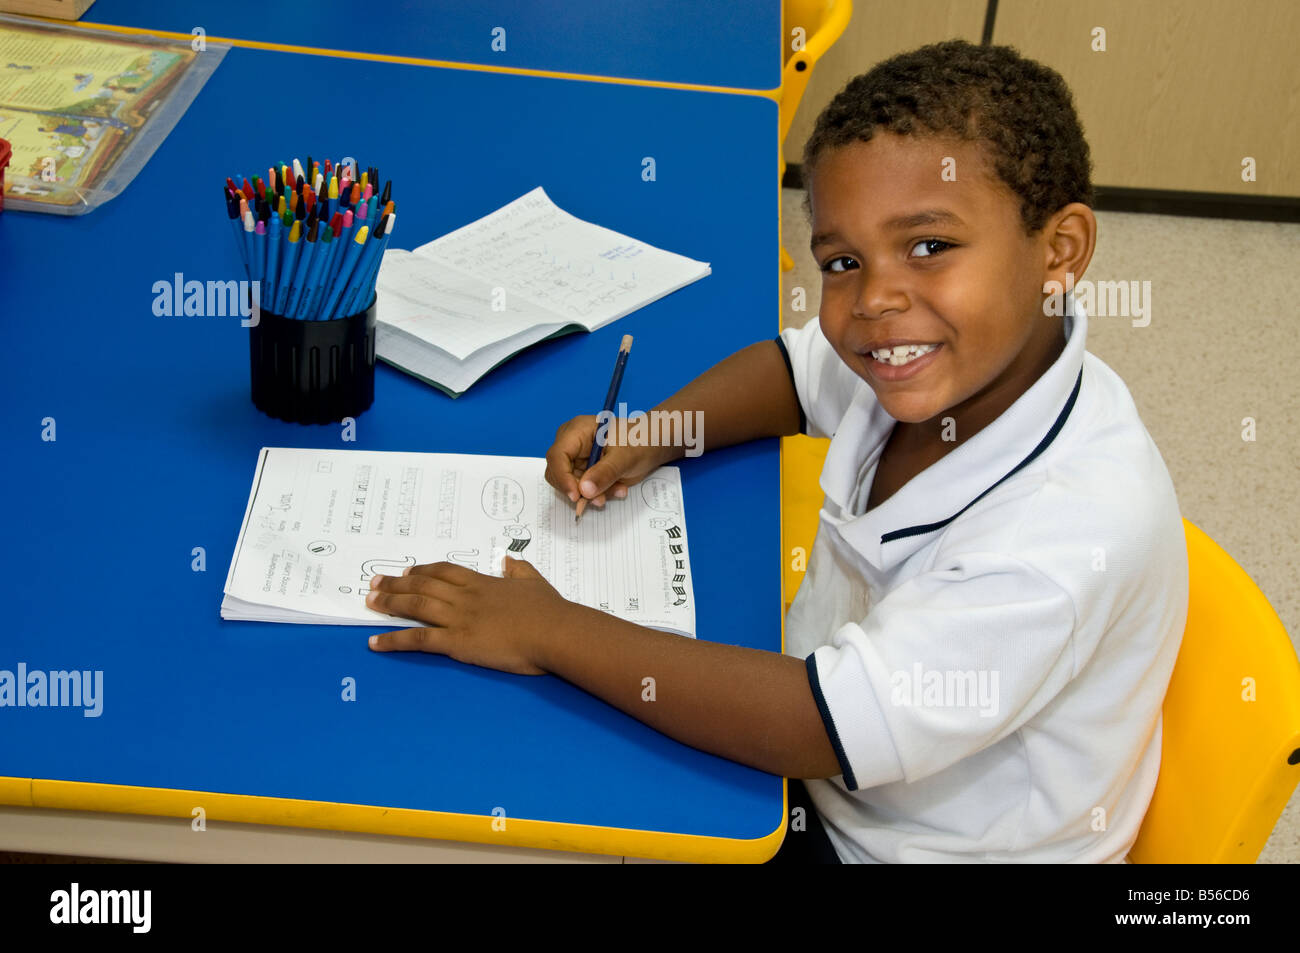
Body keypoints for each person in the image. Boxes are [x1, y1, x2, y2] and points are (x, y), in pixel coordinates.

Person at [365, 39, 1189, 863]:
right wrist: (654, 435)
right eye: (842, 261)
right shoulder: (942, 358)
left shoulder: (1057, 543)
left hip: (882, 839)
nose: (875, 300)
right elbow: (792, 373)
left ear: (1060, 251)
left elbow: (815, 725)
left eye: (930, 246)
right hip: (840, 753)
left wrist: (546, 629)